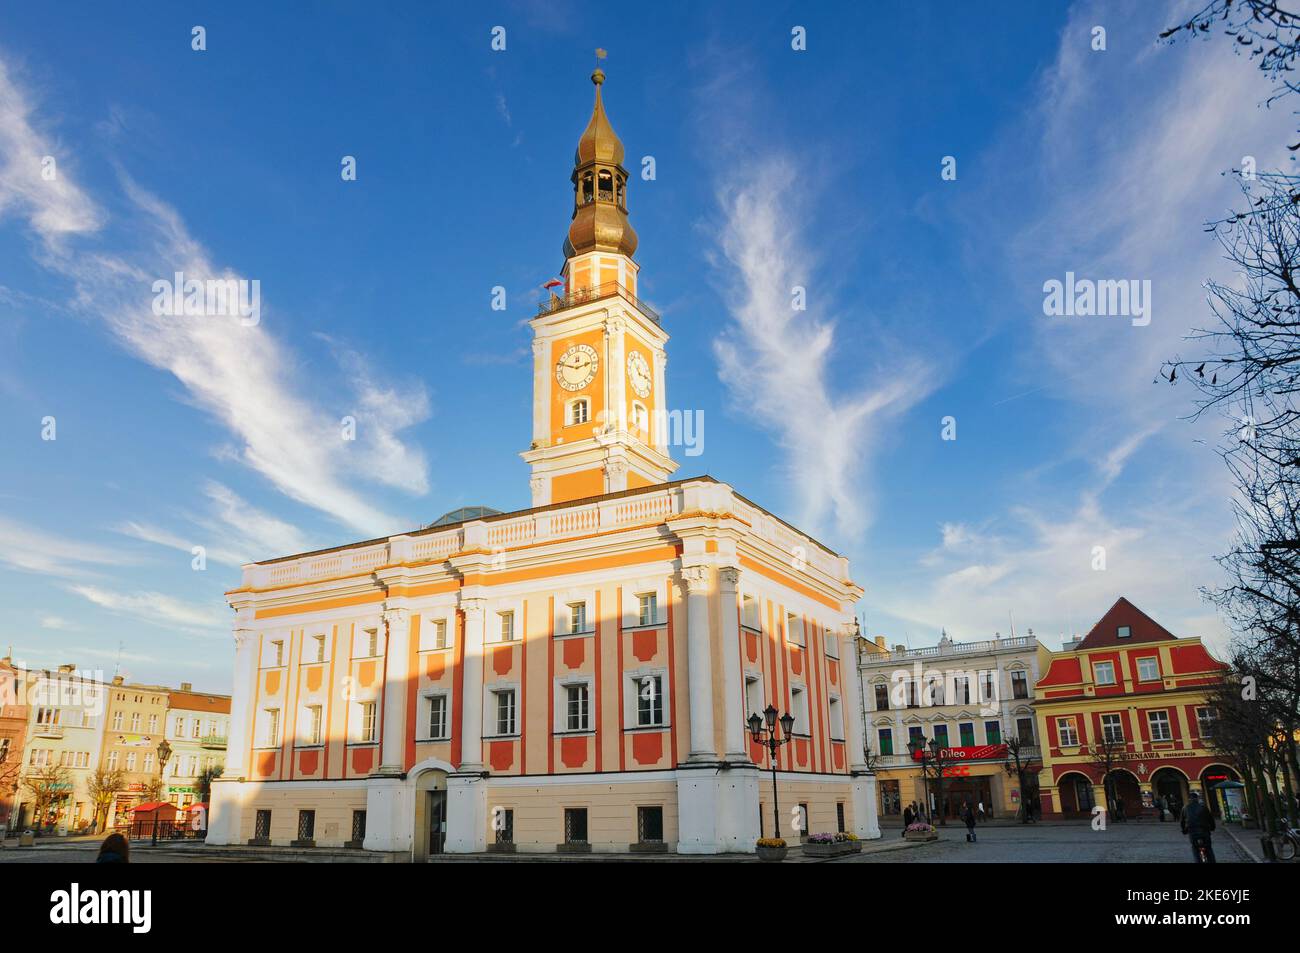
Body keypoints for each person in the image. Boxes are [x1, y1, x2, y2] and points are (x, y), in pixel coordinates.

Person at [1181, 792, 1217, 863]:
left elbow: (1182, 821)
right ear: (1197, 799)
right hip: (1204, 831)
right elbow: (1210, 819)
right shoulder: (1203, 807)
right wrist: (1212, 827)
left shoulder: (1185, 808)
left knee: (1195, 849)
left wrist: (1184, 830)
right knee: (1208, 848)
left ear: (1189, 799)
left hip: (1192, 832)